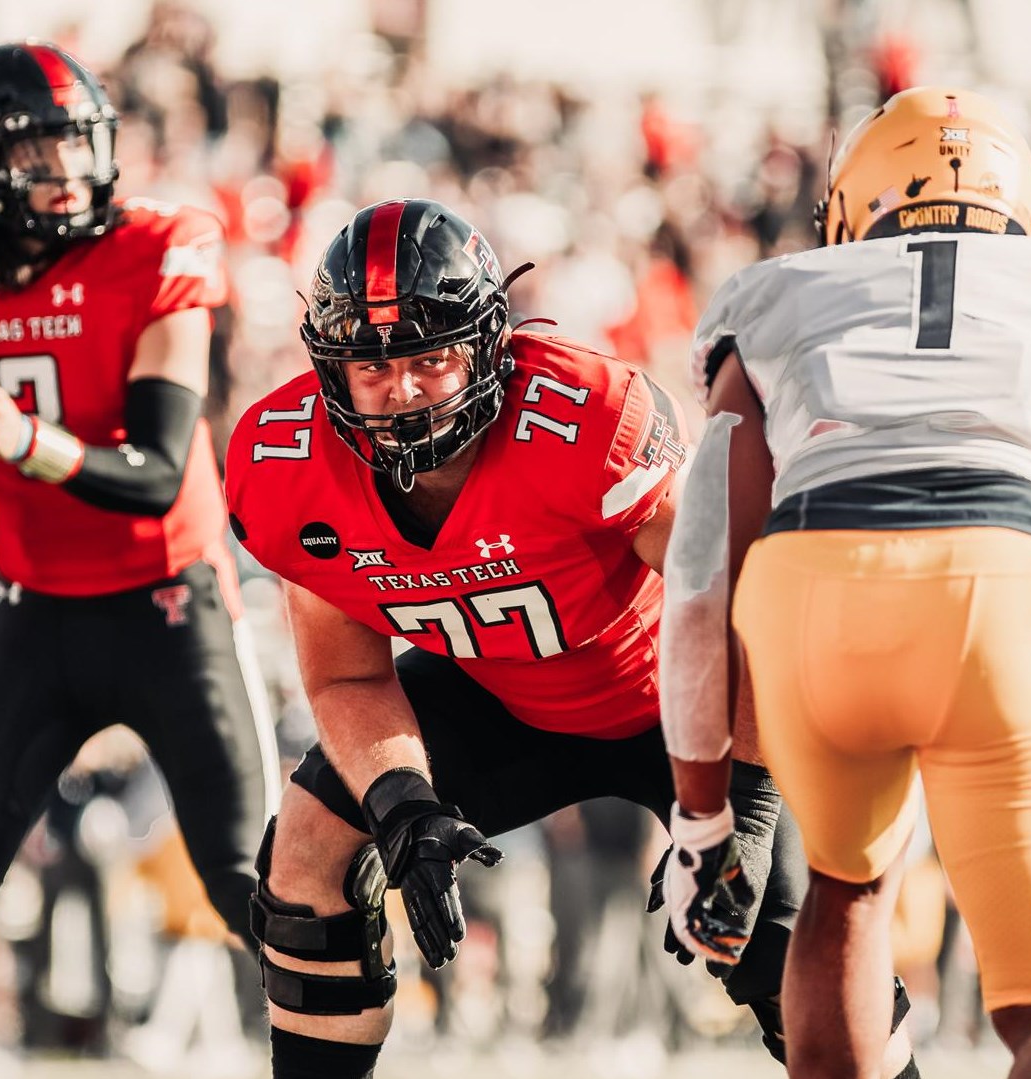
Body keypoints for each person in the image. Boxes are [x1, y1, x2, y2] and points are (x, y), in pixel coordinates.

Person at [225, 197, 916, 1079]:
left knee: (786, 947)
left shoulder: (587, 419)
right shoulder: (287, 468)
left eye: (432, 359)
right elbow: (348, 681)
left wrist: (740, 810)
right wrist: (402, 802)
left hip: (683, 698)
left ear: (485, 348)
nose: (403, 389)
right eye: (374, 366)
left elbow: (754, 612)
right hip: (502, 693)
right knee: (312, 843)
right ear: (331, 370)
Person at [665, 86, 1031, 1079]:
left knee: (844, 886)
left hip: (809, 592)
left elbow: (700, 572)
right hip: (1000, 584)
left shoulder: (774, 291)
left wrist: (704, 812)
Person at [0, 41, 276, 1078]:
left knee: (246, 880)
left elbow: (153, 467)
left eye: (78, 147)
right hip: (34, 609)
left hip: (169, 602)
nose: (72, 174)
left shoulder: (156, 244)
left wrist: (23, 441)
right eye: (43, 153)